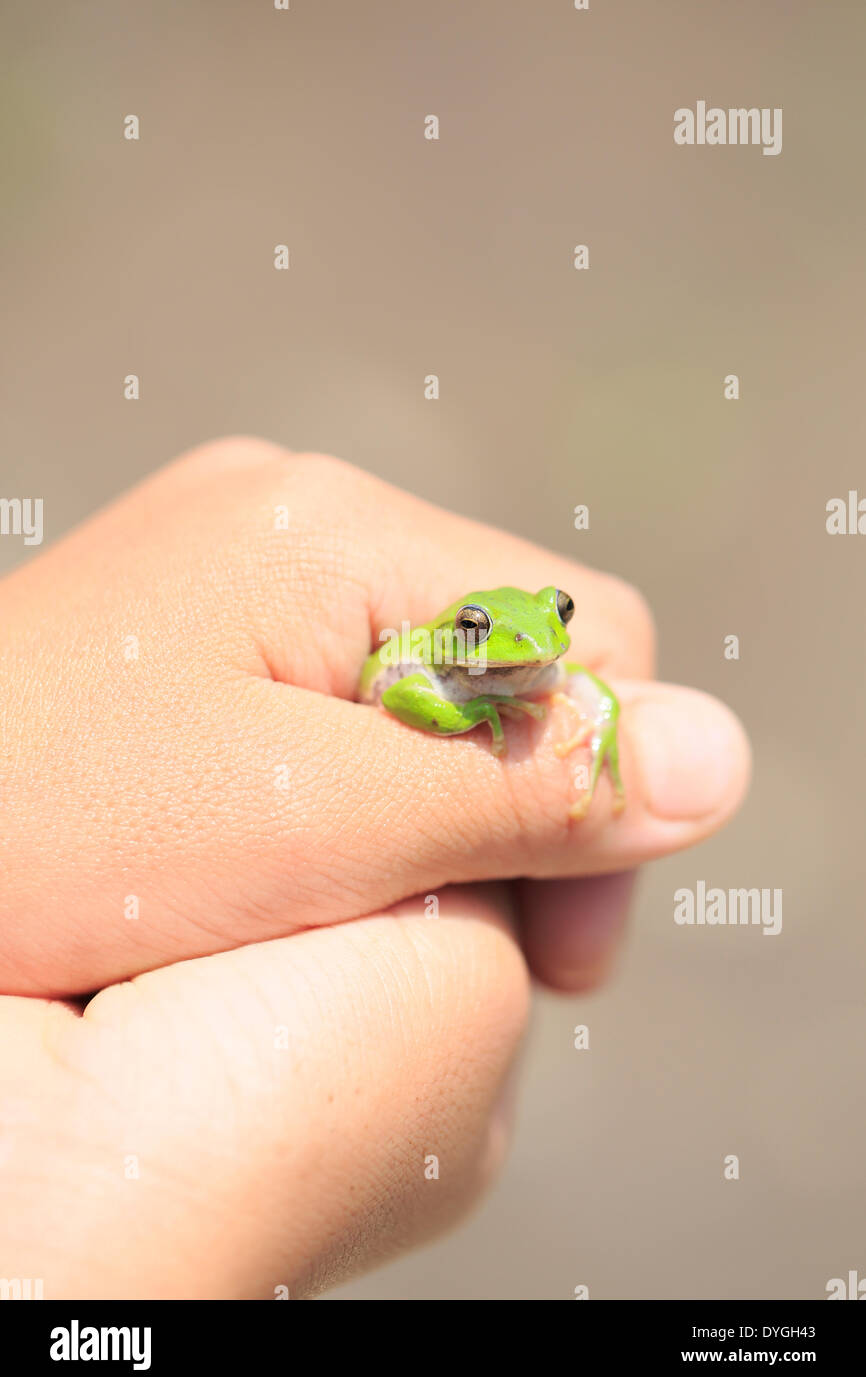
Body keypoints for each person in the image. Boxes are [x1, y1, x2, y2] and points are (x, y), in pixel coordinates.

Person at [0, 438, 750, 1297]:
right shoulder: (436, 654)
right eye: (481, 628)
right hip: (428, 680)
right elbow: (398, 690)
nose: (537, 638)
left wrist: (599, 736)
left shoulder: (540, 654)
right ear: (464, 632)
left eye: (559, 613)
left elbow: (596, 693)